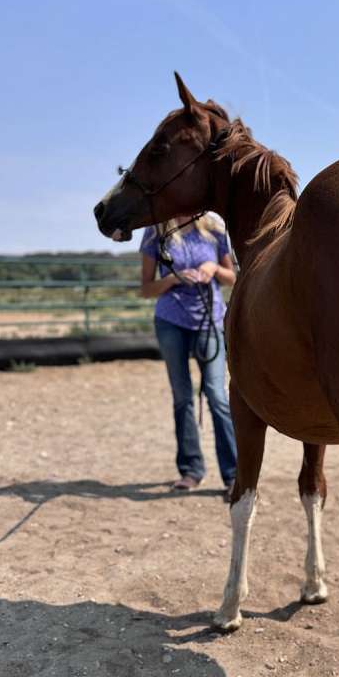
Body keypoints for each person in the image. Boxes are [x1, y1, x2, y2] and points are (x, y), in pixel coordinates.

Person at [140, 213, 238, 497]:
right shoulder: (155, 233)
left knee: (217, 395)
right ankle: (191, 470)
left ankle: (234, 474)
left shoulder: (215, 228)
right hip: (170, 321)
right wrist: (173, 278)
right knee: (182, 397)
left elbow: (232, 277)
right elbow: (145, 289)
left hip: (209, 320)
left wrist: (214, 268)